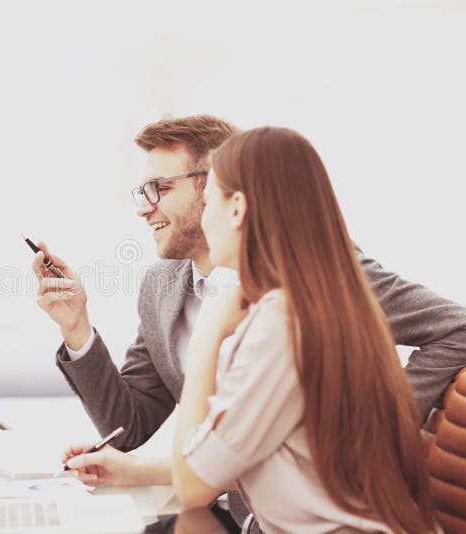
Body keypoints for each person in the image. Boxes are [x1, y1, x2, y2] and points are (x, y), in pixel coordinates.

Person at [31, 115, 466, 490]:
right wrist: (77, 329)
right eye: (141, 192)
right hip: (220, 509)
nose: (143, 209)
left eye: (158, 188)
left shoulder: (317, 272)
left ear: (216, 189)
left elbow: (456, 328)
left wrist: (379, 428)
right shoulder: (160, 287)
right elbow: (128, 426)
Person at [171, 126, 437, 532]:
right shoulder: (317, 300)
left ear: (237, 208)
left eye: (208, 202)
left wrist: (208, 335)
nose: (204, 220)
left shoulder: (280, 323)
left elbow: (192, 486)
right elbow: (238, 457)